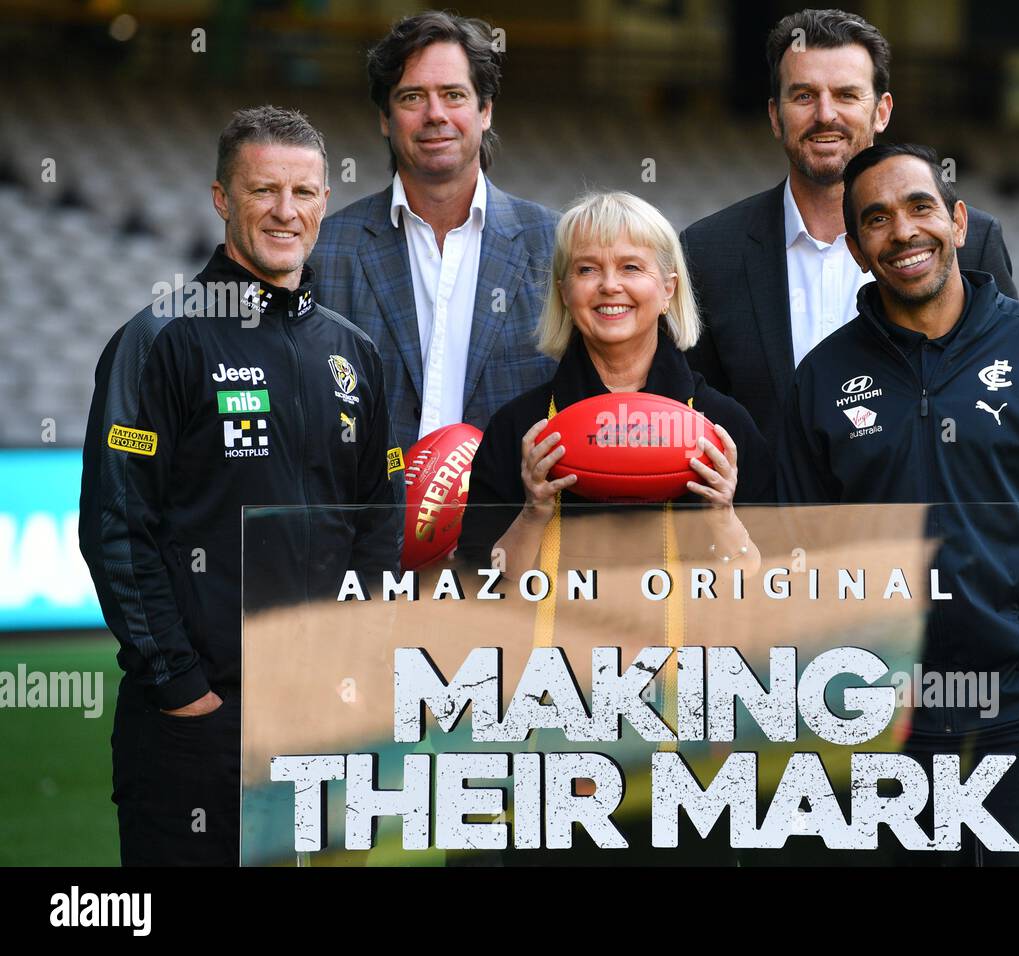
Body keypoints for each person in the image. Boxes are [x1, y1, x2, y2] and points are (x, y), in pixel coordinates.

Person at [778, 143, 1019, 865]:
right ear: (855, 249)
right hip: (875, 726)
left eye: (920, 207)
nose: (903, 232)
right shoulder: (821, 379)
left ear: (959, 221)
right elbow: (799, 563)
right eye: (876, 220)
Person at [79, 106, 403, 866]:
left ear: (326, 200)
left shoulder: (354, 355)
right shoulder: (161, 337)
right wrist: (182, 688)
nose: (286, 212)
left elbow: (378, 521)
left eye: (305, 192)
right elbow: (117, 528)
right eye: (264, 191)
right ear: (223, 199)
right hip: (198, 726)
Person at [681, 8, 1017, 450]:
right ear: (775, 115)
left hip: (921, 517)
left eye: (846, 95)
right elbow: (689, 415)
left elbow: (1009, 389)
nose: (825, 115)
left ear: (881, 110)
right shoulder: (706, 252)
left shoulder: (967, 241)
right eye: (803, 96)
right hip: (765, 518)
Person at [459, 191, 773, 579]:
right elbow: (475, 585)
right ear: (564, 292)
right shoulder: (520, 428)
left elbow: (769, 585)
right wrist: (533, 511)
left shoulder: (725, 426)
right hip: (551, 642)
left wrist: (723, 517)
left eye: (630, 267)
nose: (609, 285)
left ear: (668, 289)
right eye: (587, 269)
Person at [311, 10, 559, 450]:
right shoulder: (325, 251)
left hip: (512, 516)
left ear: (485, 111)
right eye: (412, 97)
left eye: (453, 95)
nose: (435, 114)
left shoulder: (556, 247)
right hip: (367, 517)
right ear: (385, 119)